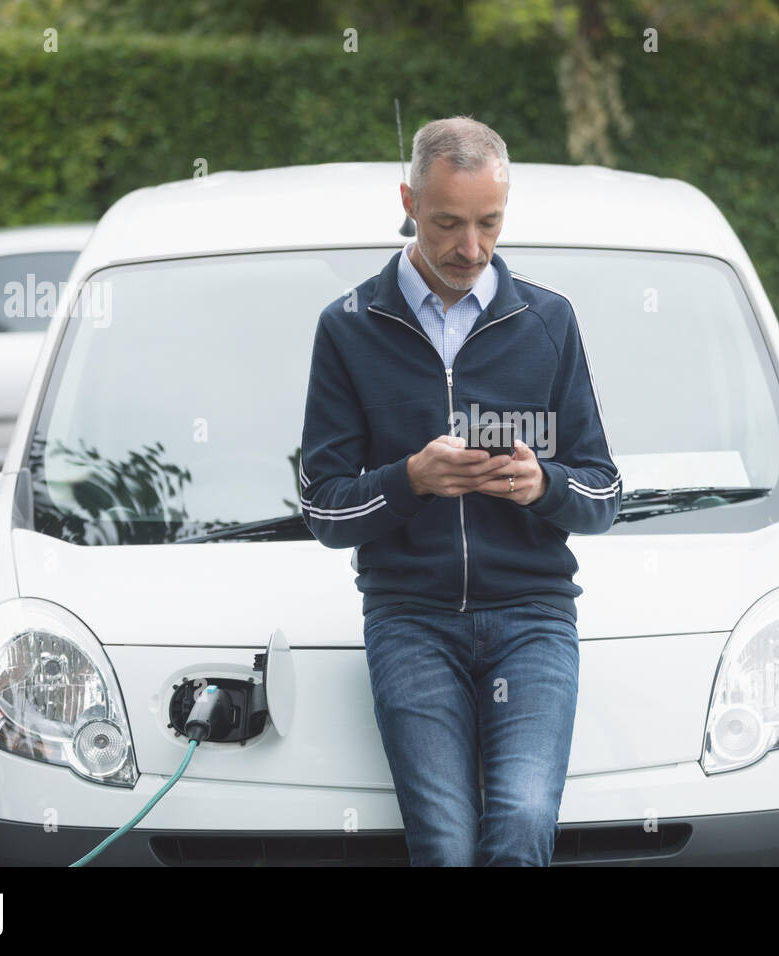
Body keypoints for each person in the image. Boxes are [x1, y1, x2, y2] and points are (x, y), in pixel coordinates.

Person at [299, 115, 621, 865]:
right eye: (448, 223)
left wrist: (543, 486)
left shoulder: (549, 321)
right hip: (410, 619)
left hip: (534, 616)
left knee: (522, 826)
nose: (471, 249)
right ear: (407, 200)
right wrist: (411, 481)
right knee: (444, 846)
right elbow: (323, 506)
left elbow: (603, 492)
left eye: (489, 223)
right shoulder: (348, 328)